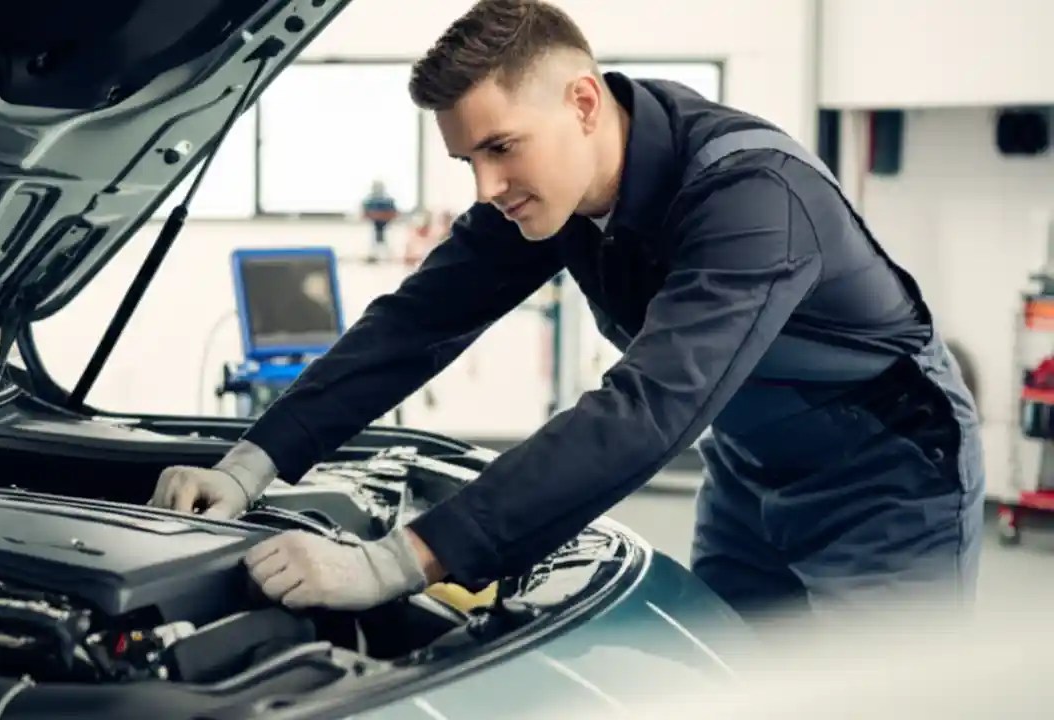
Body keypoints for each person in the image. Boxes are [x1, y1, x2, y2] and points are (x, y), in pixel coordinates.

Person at [150, 0, 984, 622]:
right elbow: (414, 324)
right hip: (749, 465)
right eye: (467, 157)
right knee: (737, 680)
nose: (485, 187)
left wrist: (399, 561)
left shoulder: (754, 198)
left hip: (887, 476)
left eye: (501, 147)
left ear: (583, 103)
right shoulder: (555, 192)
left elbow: (646, 408)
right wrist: (249, 464)